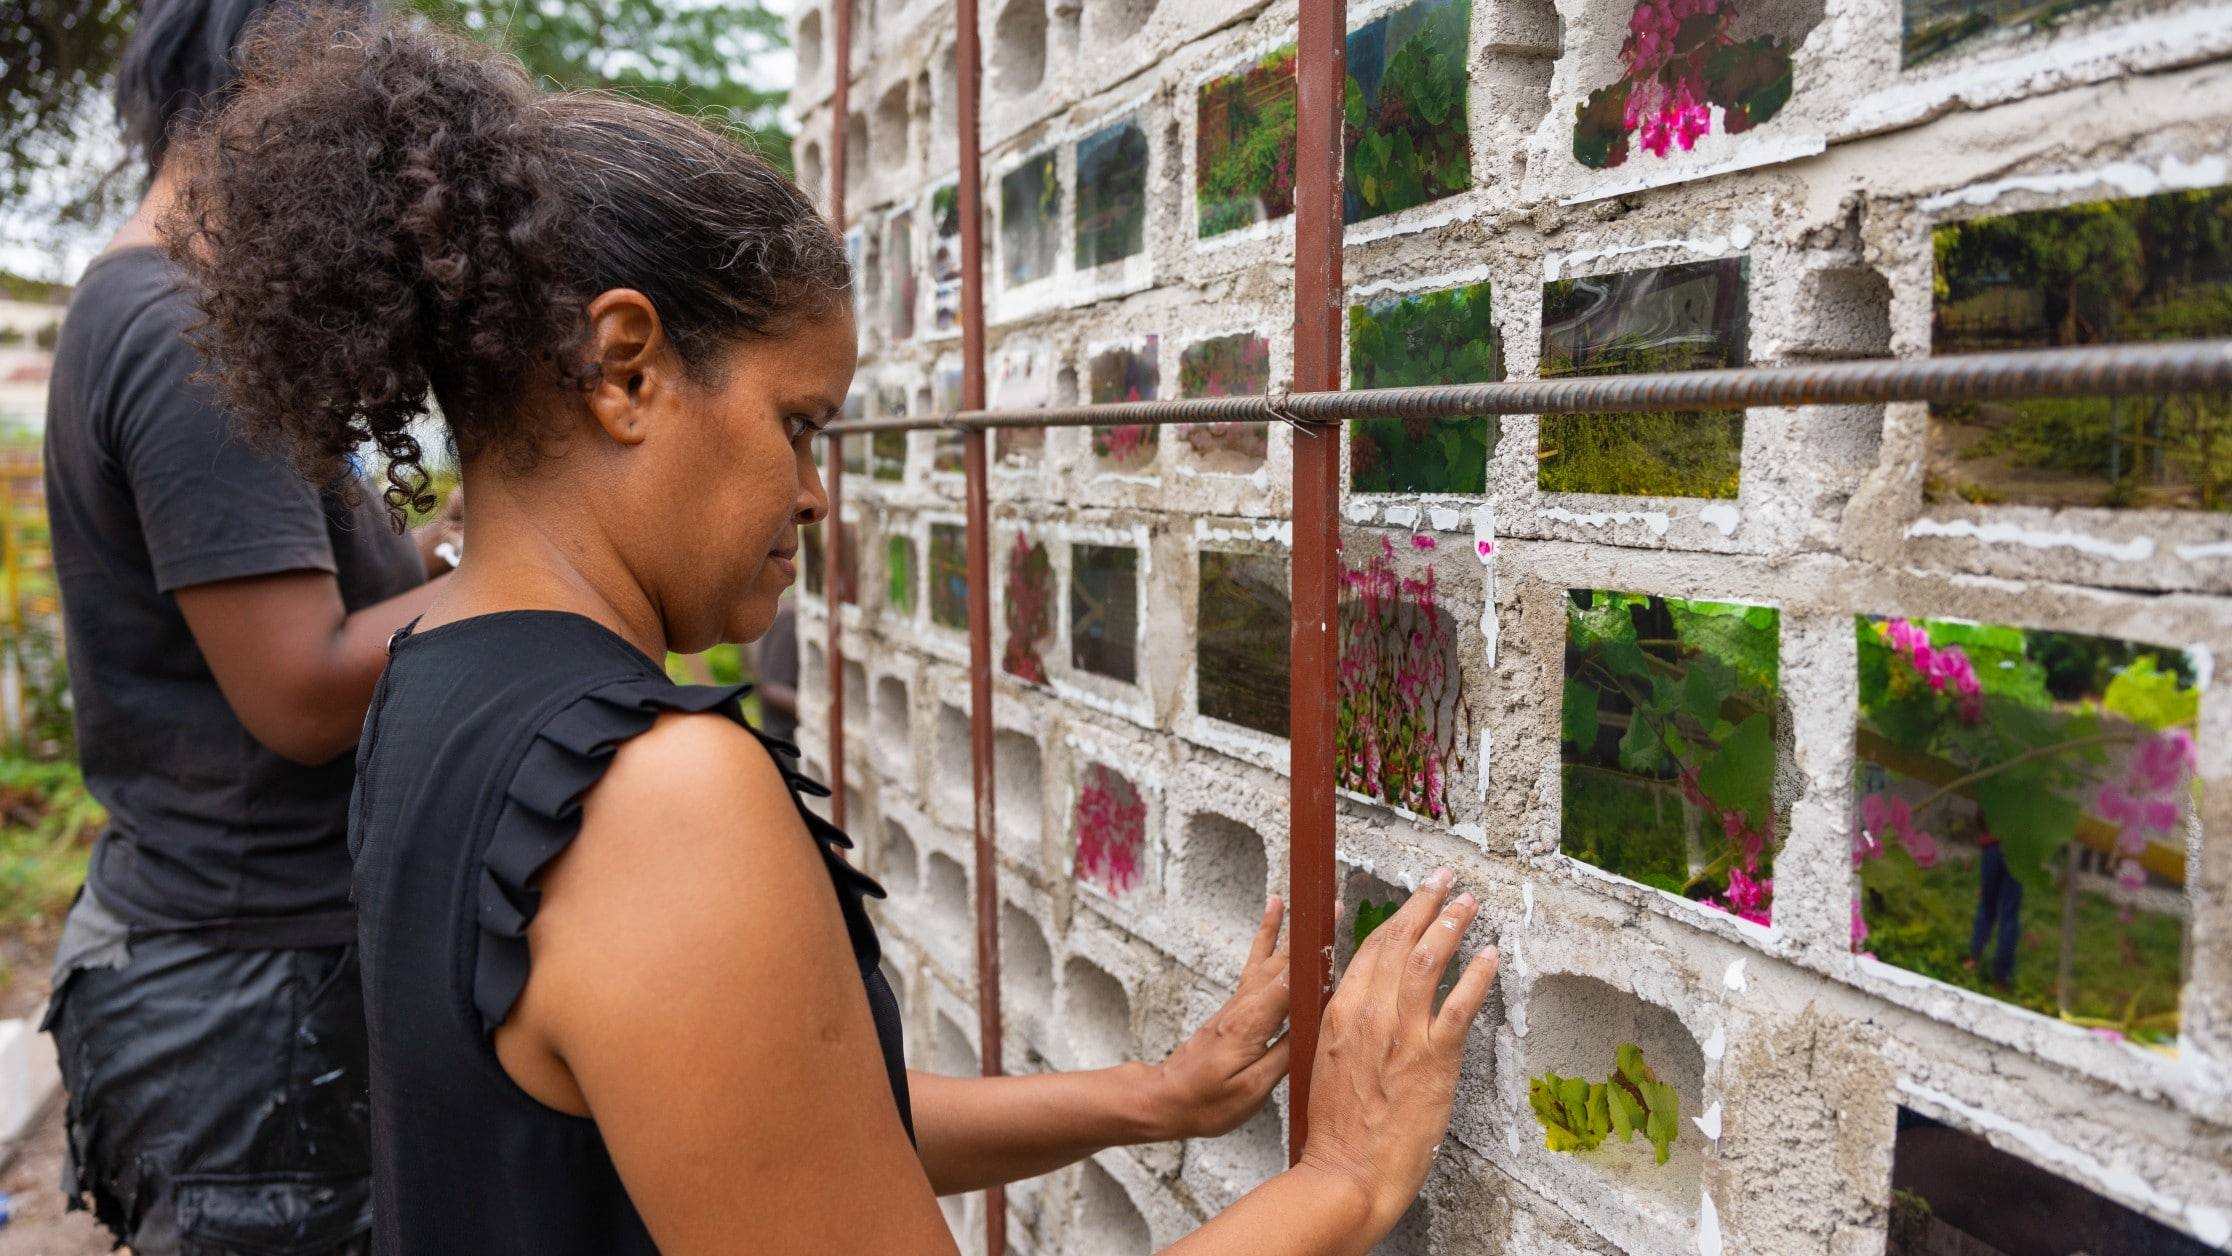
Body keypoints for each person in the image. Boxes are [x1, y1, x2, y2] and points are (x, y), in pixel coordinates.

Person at [168, 9, 1500, 1254]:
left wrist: (1154, 1096)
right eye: (798, 423)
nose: (815, 489)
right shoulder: (651, 796)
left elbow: (766, 1136)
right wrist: (1340, 1183)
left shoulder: (437, 675)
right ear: (627, 369)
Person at [37, 1, 455, 1250]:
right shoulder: (180, 336)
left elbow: (332, 598)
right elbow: (303, 692)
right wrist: (563, 563)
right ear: (263, 100)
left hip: (245, 977)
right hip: (245, 1005)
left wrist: (453, 548)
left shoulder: (191, 310)